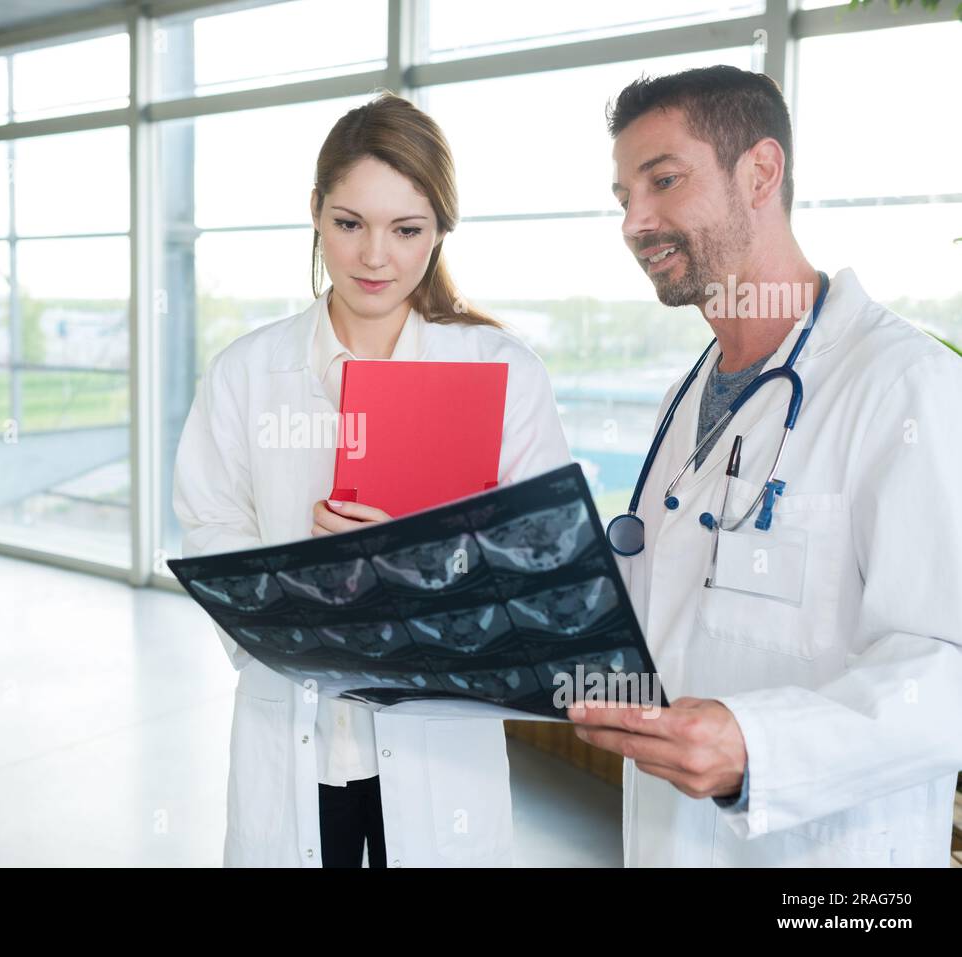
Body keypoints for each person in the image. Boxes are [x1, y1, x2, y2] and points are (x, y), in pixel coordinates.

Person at [574, 65, 962, 866]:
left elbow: (947, 675)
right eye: (623, 197)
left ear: (760, 172)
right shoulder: (682, 408)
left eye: (664, 181)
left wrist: (758, 745)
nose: (635, 222)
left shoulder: (903, 386)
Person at [173, 92, 571, 867]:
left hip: (436, 751)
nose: (374, 256)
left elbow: (544, 573)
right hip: (297, 738)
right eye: (350, 223)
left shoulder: (502, 374)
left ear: (441, 230)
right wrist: (309, 583)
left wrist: (424, 571)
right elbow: (211, 534)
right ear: (316, 213)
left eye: (407, 229)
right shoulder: (248, 373)